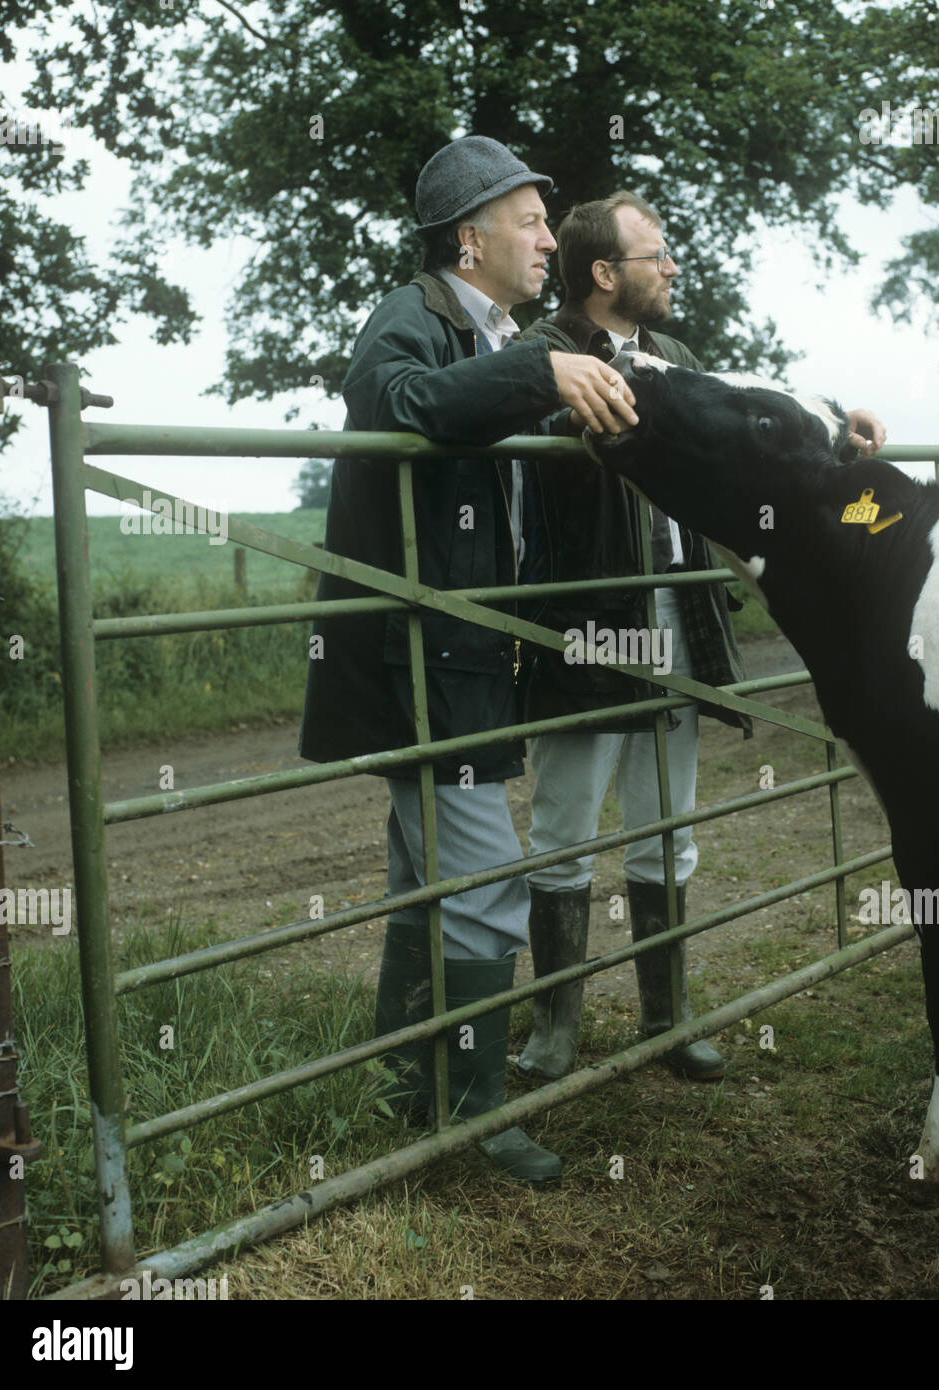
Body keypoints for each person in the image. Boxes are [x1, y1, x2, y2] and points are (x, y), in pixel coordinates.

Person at [298, 138, 637, 1182]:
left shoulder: (499, 331)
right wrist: (538, 371)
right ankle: (476, 1117)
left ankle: (408, 1090)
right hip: (419, 662)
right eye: (529, 219)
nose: (548, 235)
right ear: (468, 235)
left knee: (426, 876)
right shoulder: (411, 320)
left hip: (466, 659)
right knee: (487, 884)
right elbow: (399, 403)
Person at [515, 192, 887, 1086]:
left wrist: (840, 420)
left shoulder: (675, 358)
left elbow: (740, 414)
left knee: (669, 826)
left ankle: (665, 1019)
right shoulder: (541, 355)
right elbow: (515, 440)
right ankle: (551, 1032)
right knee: (564, 827)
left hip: (681, 626)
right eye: (657, 256)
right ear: (604, 275)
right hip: (593, 633)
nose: (674, 268)